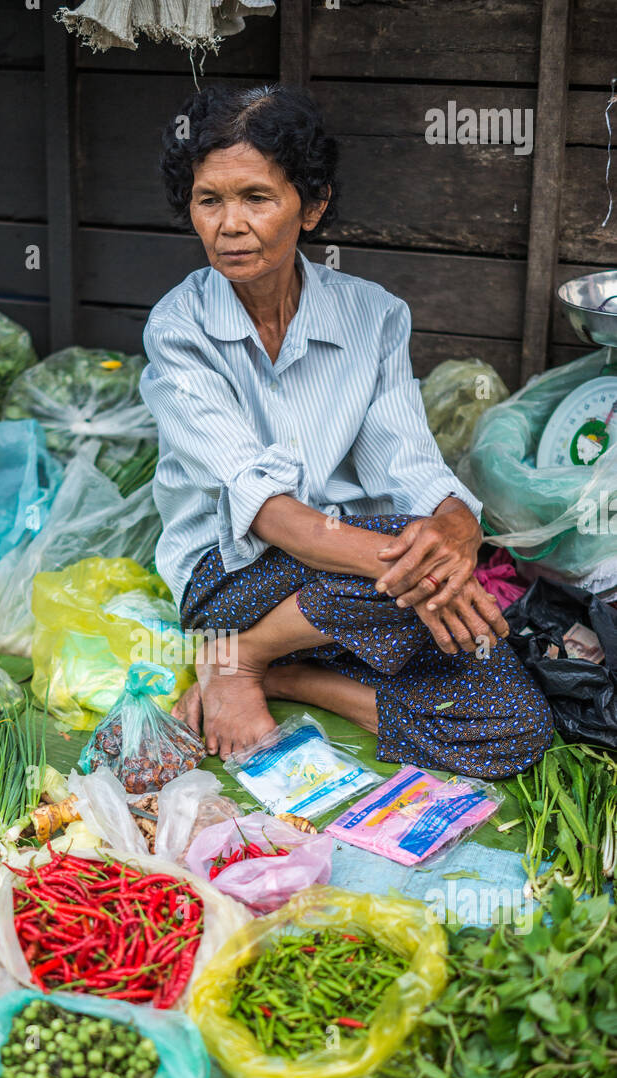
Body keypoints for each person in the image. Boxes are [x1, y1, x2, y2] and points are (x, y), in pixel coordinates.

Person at [138, 83, 553, 779]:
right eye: (209, 200)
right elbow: (265, 510)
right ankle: (236, 651)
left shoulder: (373, 315)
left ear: (314, 205)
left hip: (359, 585)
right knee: (410, 554)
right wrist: (421, 562)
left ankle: (275, 670)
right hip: (229, 574)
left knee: (515, 725)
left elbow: (406, 461)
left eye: (256, 198)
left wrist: (455, 526)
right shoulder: (179, 331)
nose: (229, 224)